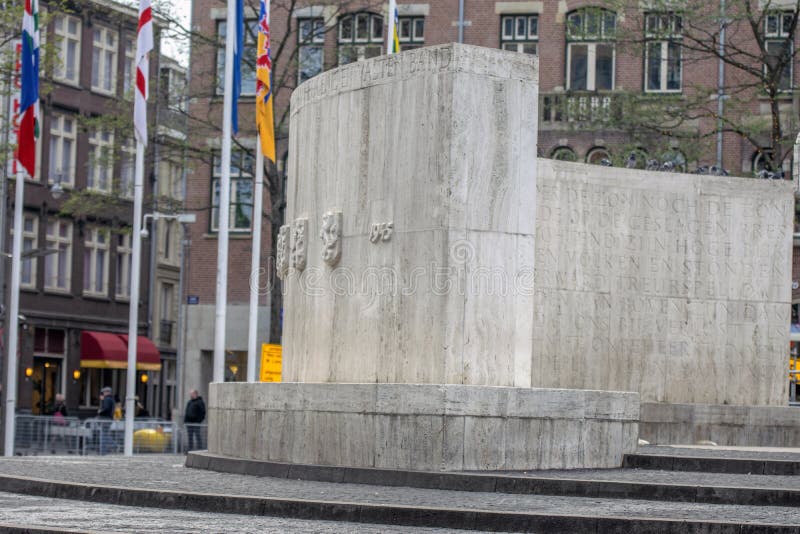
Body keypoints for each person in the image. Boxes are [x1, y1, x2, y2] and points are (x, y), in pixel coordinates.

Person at [97, 386, 117, 454]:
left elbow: (106, 408)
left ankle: (112, 446)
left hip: (105, 419)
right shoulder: (111, 399)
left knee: (103, 435)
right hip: (108, 419)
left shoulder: (107, 399)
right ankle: (104, 450)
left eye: (104, 392)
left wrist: (100, 411)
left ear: (108, 392)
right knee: (104, 435)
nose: (103, 393)